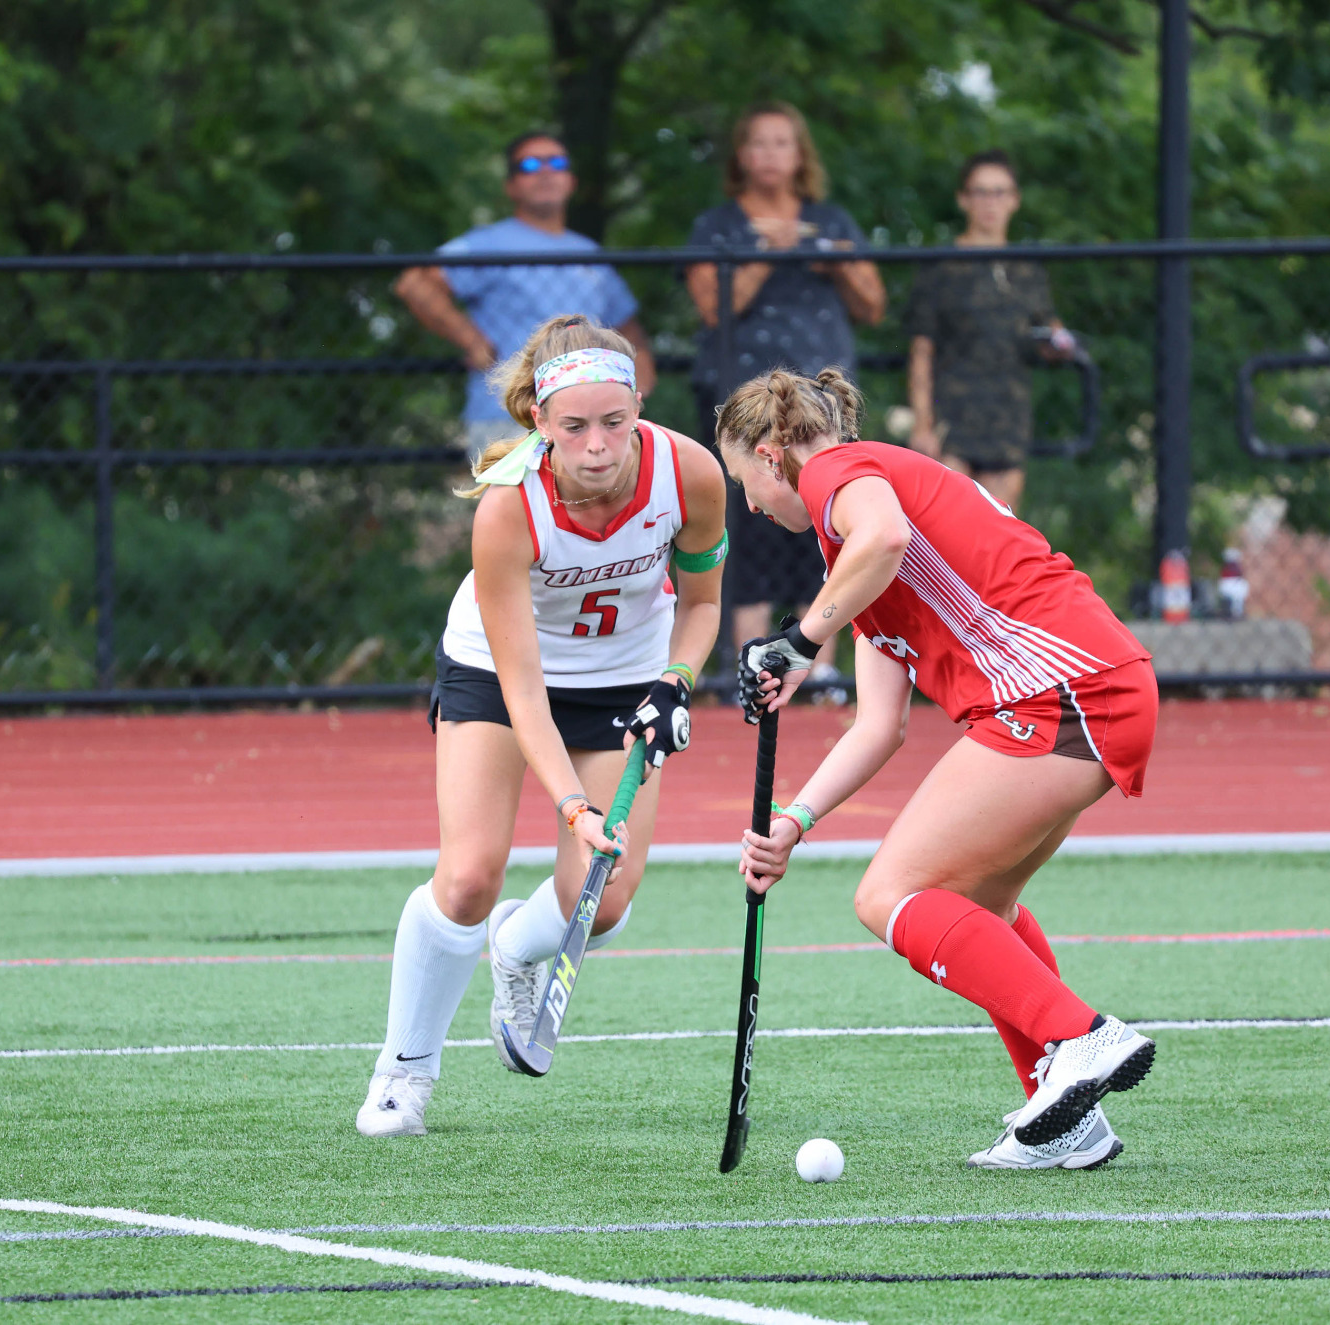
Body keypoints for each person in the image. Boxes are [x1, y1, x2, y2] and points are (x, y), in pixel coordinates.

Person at [718, 367, 1157, 1170]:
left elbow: (883, 539)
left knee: (888, 894)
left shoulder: (841, 475)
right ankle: (1066, 1115)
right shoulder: (852, 555)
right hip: (1085, 689)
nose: (748, 503)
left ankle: (1082, 1036)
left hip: (1061, 688)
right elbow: (878, 727)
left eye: (744, 480)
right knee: (979, 904)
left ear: (771, 453)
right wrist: (792, 824)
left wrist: (800, 640)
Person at [357, 315, 727, 1137]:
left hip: (628, 678)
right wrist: (571, 805)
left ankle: (517, 948)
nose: (599, 445)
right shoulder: (509, 509)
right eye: (575, 427)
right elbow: (524, 688)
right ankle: (404, 1072)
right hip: (499, 674)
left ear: (640, 405)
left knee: (605, 896)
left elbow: (701, 605)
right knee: (468, 874)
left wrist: (677, 679)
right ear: (539, 421)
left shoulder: (690, 473)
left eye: (615, 422)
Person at [686, 102, 885, 696]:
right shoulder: (718, 226)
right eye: (758, 143)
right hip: (742, 398)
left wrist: (831, 257)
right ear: (741, 156)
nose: (771, 156)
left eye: (782, 143)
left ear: (800, 155)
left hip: (819, 400)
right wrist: (765, 250)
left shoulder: (830, 220)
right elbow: (712, 307)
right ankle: (747, 658)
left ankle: (815, 664)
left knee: (825, 515)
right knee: (748, 518)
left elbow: (874, 304)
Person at [396, 131, 657, 460]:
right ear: (511, 186)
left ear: (571, 180)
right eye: (531, 164)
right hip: (508, 417)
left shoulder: (589, 252)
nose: (546, 171)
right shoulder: (488, 243)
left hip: (592, 425)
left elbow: (630, 330)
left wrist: (634, 395)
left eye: (557, 162)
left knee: (591, 513)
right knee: (507, 512)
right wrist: (472, 341)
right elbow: (415, 284)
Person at [905, 150, 1077, 510]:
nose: (990, 202)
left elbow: (1046, 326)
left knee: (1001, 531)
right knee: (952, 528)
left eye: (999, 192)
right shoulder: (941, 267)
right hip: (952, 418)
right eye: (981, 192)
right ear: (963, 198)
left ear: (1014, 200)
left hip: (1008, 417)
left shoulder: (1027, 270)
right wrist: (923, 424)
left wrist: (1058, 344)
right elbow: (921, 349)